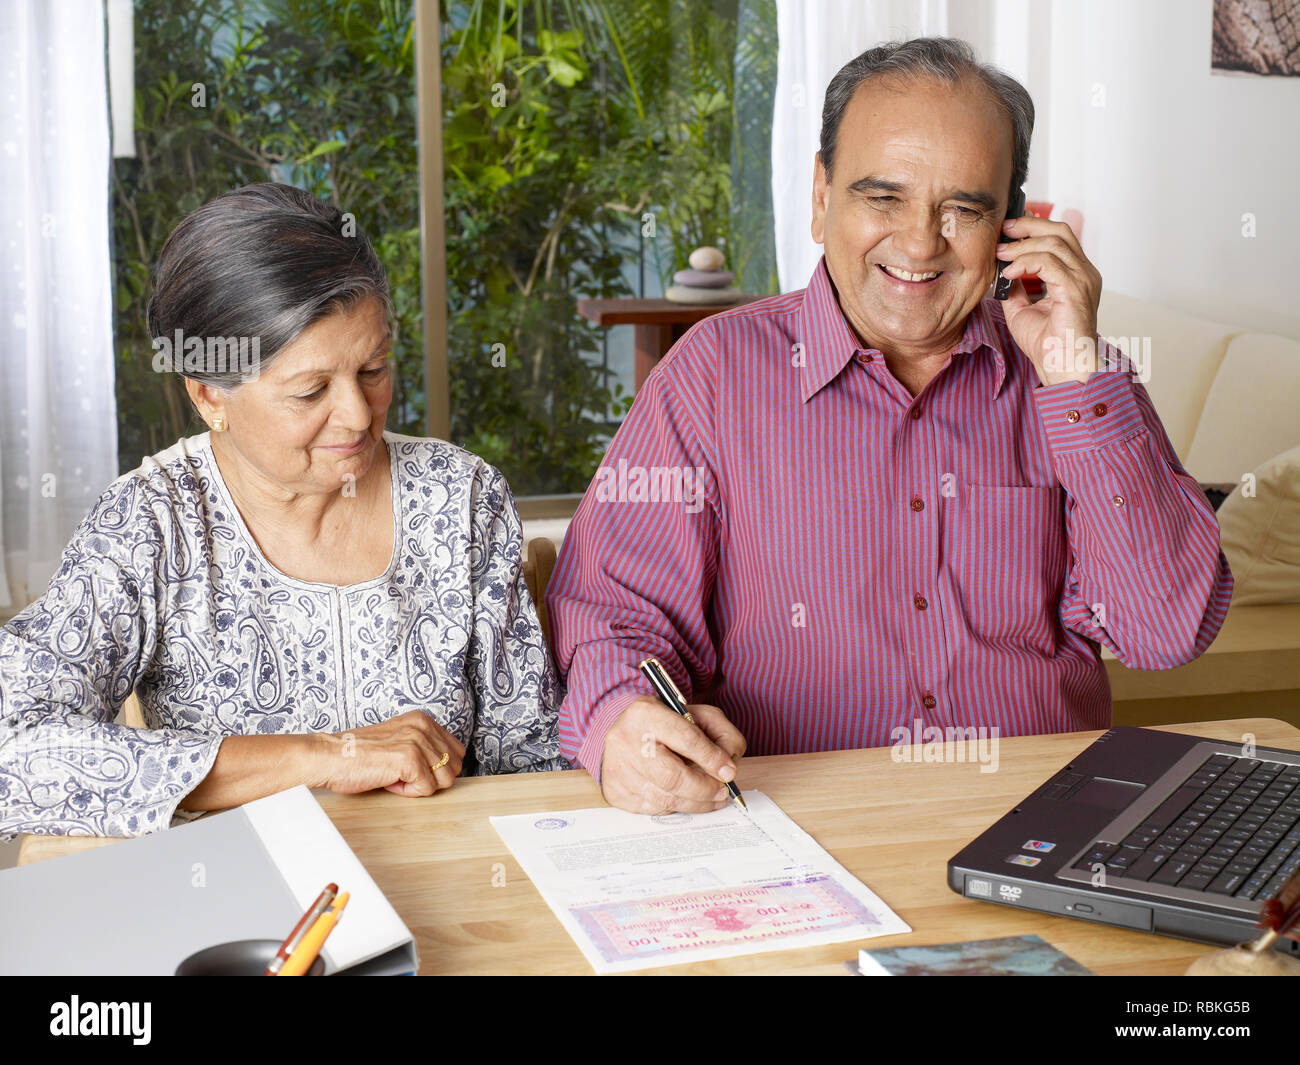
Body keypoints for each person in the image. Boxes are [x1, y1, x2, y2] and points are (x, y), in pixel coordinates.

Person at [546, 37, 1233, 815]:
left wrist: (1076, 374)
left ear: (1012, 226)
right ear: (819, 196)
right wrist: (619, 725)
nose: (918, 244)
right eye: (884, 198)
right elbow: (613, 615)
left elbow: (1166, 631)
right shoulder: (709, 375)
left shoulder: (1075, 382)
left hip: (1040, 824)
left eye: (964, 209)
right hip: (790, 832)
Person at [0, 182, 567, 840]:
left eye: (375, 368)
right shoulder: (149, 525)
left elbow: (531, 768)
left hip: (457, 894)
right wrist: (324, 755)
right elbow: (14, 749)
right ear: (210, 395)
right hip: (236, 908)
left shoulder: (461, 497)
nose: (358, 415)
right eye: (310, 390)